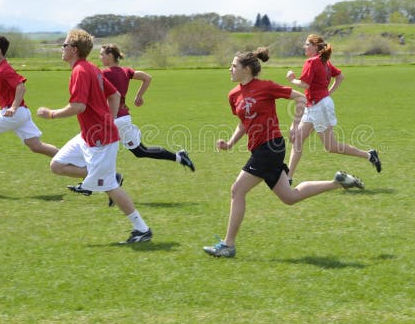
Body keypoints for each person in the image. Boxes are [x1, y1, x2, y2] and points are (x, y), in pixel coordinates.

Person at [203, 48, 365, 259]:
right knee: (289, 197)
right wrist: (231, 143)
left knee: (237, 190)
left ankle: (228, 245)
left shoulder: (266, 86)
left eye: (234, 66)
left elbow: (300, 98)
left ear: (247, 69)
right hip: (262, 148)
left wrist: (295, 125)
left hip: (270, 147)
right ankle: (338, 181)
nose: (230, 69)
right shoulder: (233, 95)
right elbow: (244, 123)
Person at [36, 29, 152, 243]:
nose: (62, 49)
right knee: (57, 165)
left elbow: (78, 106)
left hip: (100, 139)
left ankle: (142, 229)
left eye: (64, 45)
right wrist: (111, 117)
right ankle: (103, 175)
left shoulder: (81, 70)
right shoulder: (91, 68)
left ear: (73, 49)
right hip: (88, 135)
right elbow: (115, 95)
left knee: (109, 187)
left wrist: (51, 114)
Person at [0, 35, 58, 185]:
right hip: (20, 113)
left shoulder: (5, 69)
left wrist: (13, 107)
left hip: (13, 113)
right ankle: (72, 159)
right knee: (36, 146)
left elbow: (21, 86)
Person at [285, 33, 382, 181]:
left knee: (331, 146)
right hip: (315, 106)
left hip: (320, 107)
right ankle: (289, 178)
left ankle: (369, 155)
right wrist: (328, 93)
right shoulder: (325, 62)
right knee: (298, 140)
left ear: (316, 47)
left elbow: (305, 84)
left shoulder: (312, 62)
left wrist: (292, 79)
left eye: (307, 44)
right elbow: (340, 77)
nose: (304, 47)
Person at [99, 43, 195, 171]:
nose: (100, 57)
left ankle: (99, 182)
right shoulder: (126, 71)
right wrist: (139, 96)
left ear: (110, 56)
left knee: (94, 149)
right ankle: (180, 157)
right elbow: (147, 77)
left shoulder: (104, 74)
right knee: (140, 151)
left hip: (112, 119)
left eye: (102, 54)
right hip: (124, 118)